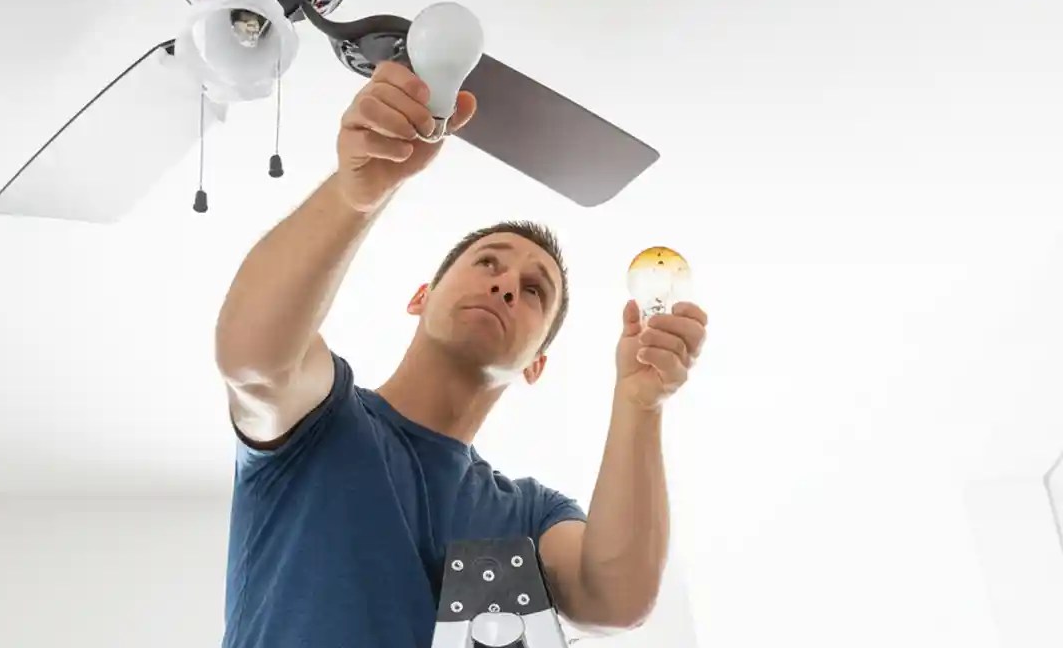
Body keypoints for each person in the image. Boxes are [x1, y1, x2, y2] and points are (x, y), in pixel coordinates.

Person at [214, 62, 709, 647]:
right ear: (421, 298)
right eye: (488, 263)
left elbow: (616, 600)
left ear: (536, 364)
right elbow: (254, 360)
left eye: (533, 291)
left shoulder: (529, 516)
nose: (505, 286)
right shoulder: (323, 420)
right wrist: (356, 194)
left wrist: (641, 403)